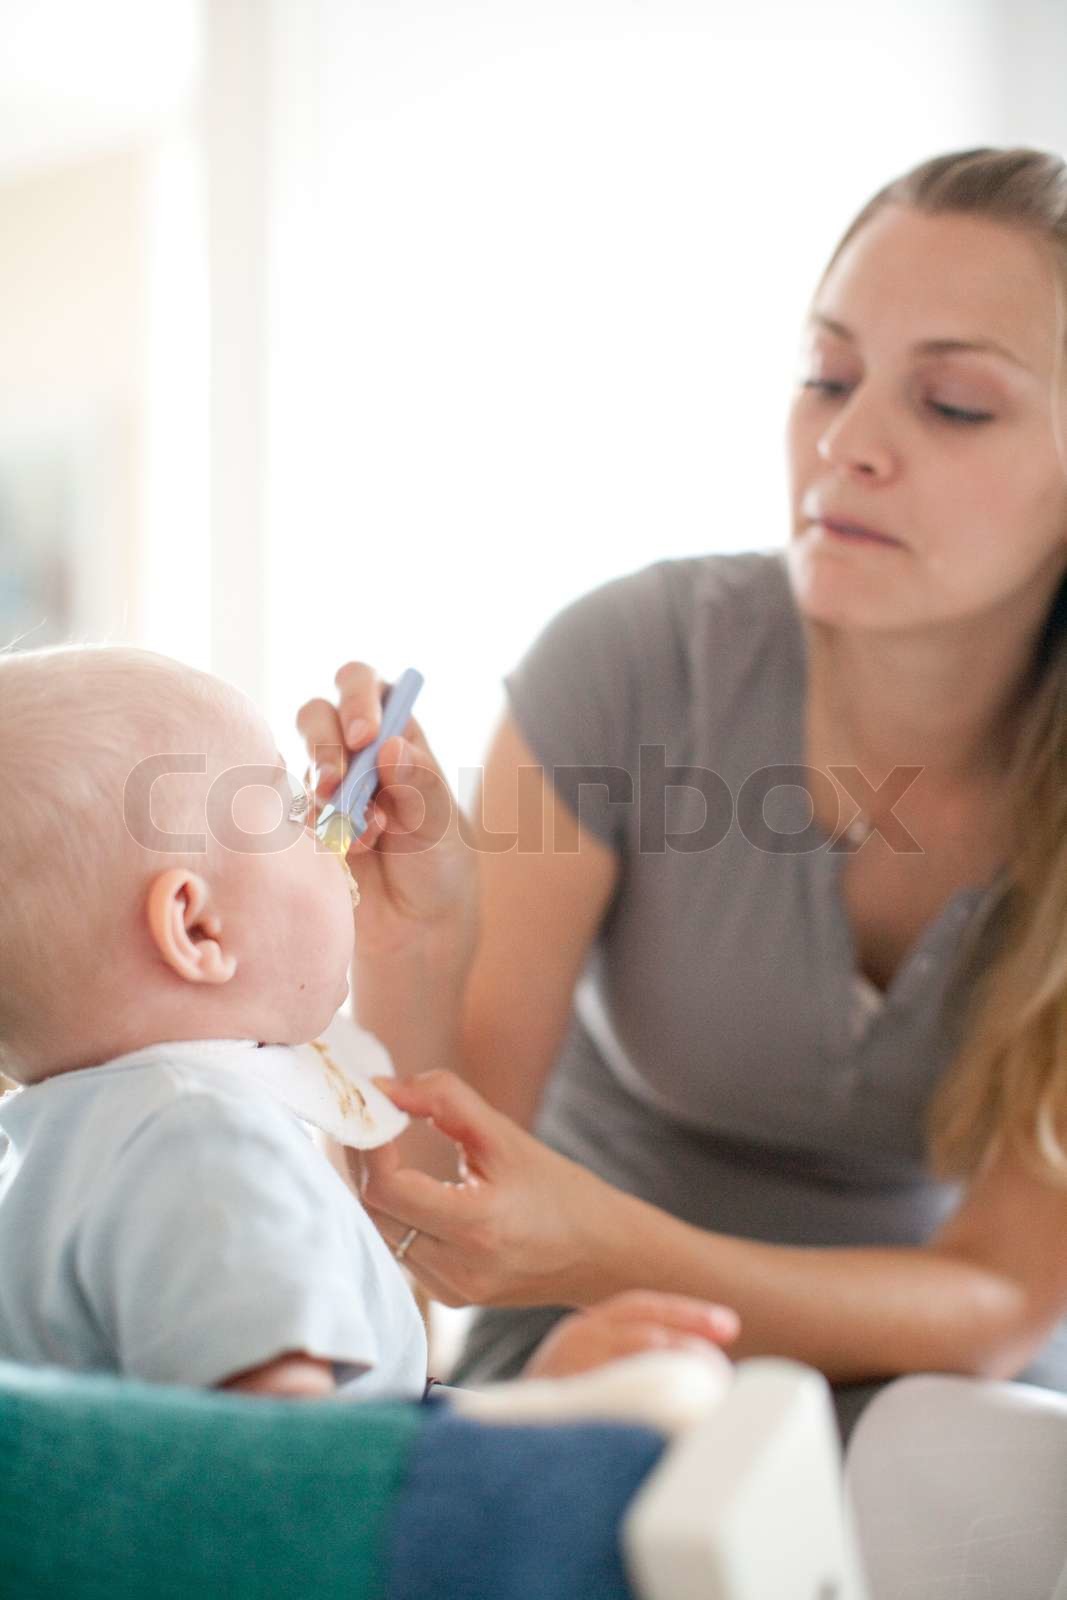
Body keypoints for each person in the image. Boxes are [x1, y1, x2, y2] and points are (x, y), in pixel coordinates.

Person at [297, 145, 1067, 1437]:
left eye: (951, 404)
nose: (845, 439)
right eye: (825, 375)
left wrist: (604, 1240)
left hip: (941, 1386)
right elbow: (429, 1203)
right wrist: (414, 938)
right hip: (582, 1344)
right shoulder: (631, 661)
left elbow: (995, 1298)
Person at [0, 644, 738, 1398]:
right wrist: (526, 1425)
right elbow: (289, 1477)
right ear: (197, 932)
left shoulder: (48, 1161)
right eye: (291, 811)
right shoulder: (204, 1146)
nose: (330, 825)